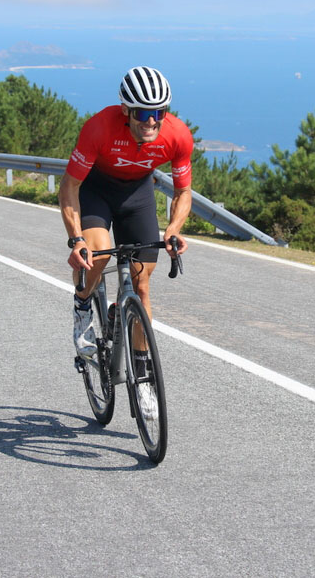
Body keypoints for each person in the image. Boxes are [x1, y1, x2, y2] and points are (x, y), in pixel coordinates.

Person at [58, 66, 193, 419]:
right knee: (98, 253)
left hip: (138, 195)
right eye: (143, 113)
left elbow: (183, 192)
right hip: (96, 191)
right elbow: (70, 186)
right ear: (126, 110)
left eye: (159, 112)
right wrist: (76, 239)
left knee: (141, 285)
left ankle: (143, 377)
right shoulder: (99, 128)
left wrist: (174, 228)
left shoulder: (177, 135)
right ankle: (82, 306)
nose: (151, 121)